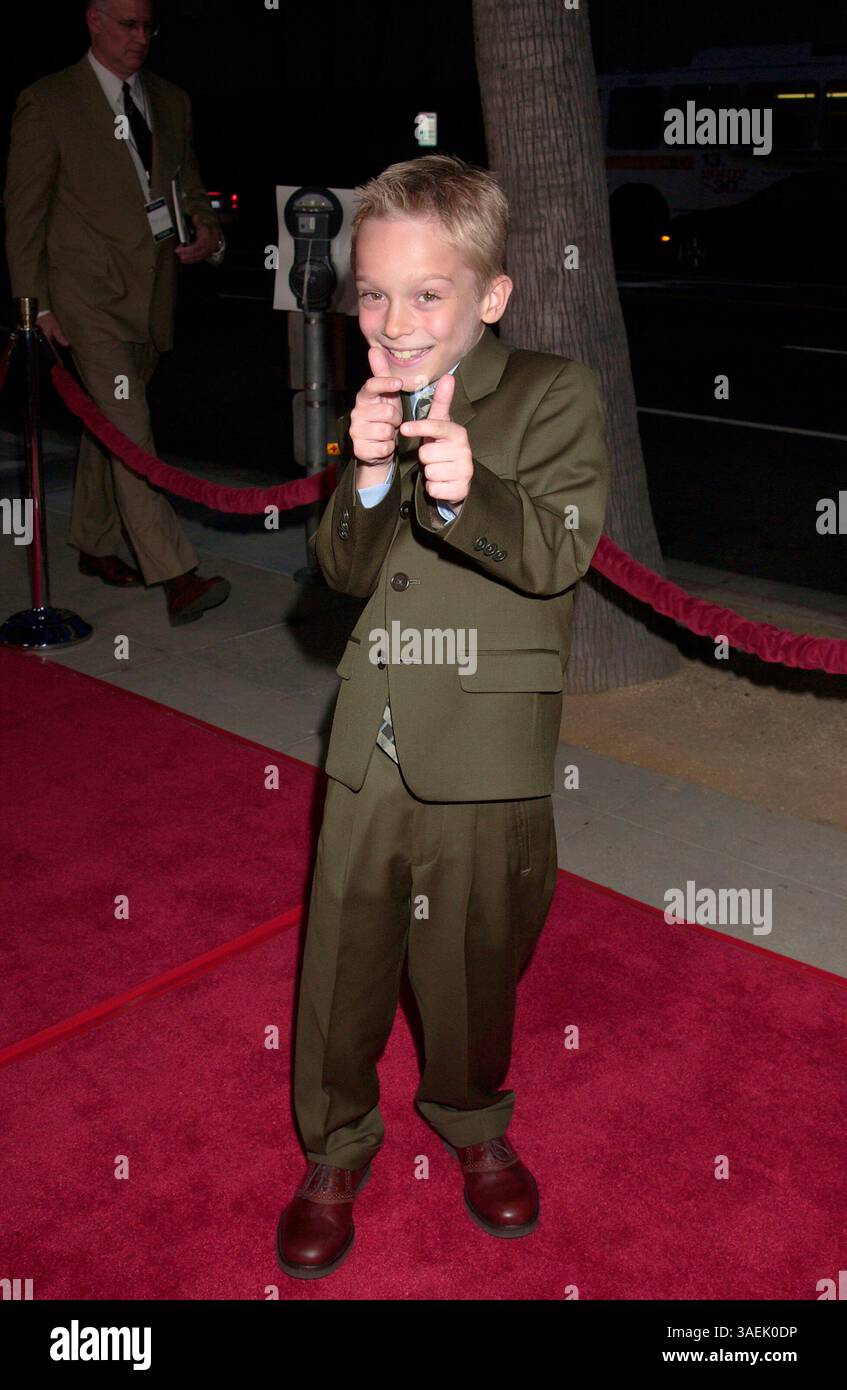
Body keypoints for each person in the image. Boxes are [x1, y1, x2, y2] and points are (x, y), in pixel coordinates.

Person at [276, 154, 610, 1279]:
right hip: (370, 736)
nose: (394, 319)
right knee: (339, 961)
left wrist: (472, 490)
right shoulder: (374, 400)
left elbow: (562, 546)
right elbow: (340, 570)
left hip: (483, 749)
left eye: (427, 294)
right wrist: (364, 480)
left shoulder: (551, 391)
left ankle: (473, 1122)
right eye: (373, 293)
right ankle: (333, 1148)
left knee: (473, 958)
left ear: (491, 297)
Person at [3, 0, 231, 626]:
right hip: (84, 297)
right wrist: (36, 304)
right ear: (93, 20)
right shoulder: (48, 101)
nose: (141, 38)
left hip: (153, 295)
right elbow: (24, 214)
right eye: (128, 25)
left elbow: (189, 186)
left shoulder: (170, 99)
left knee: (108, 428)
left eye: (149, 26)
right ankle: (176, 573)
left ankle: (95, 542)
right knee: (132, 428)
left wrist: (209, 234)